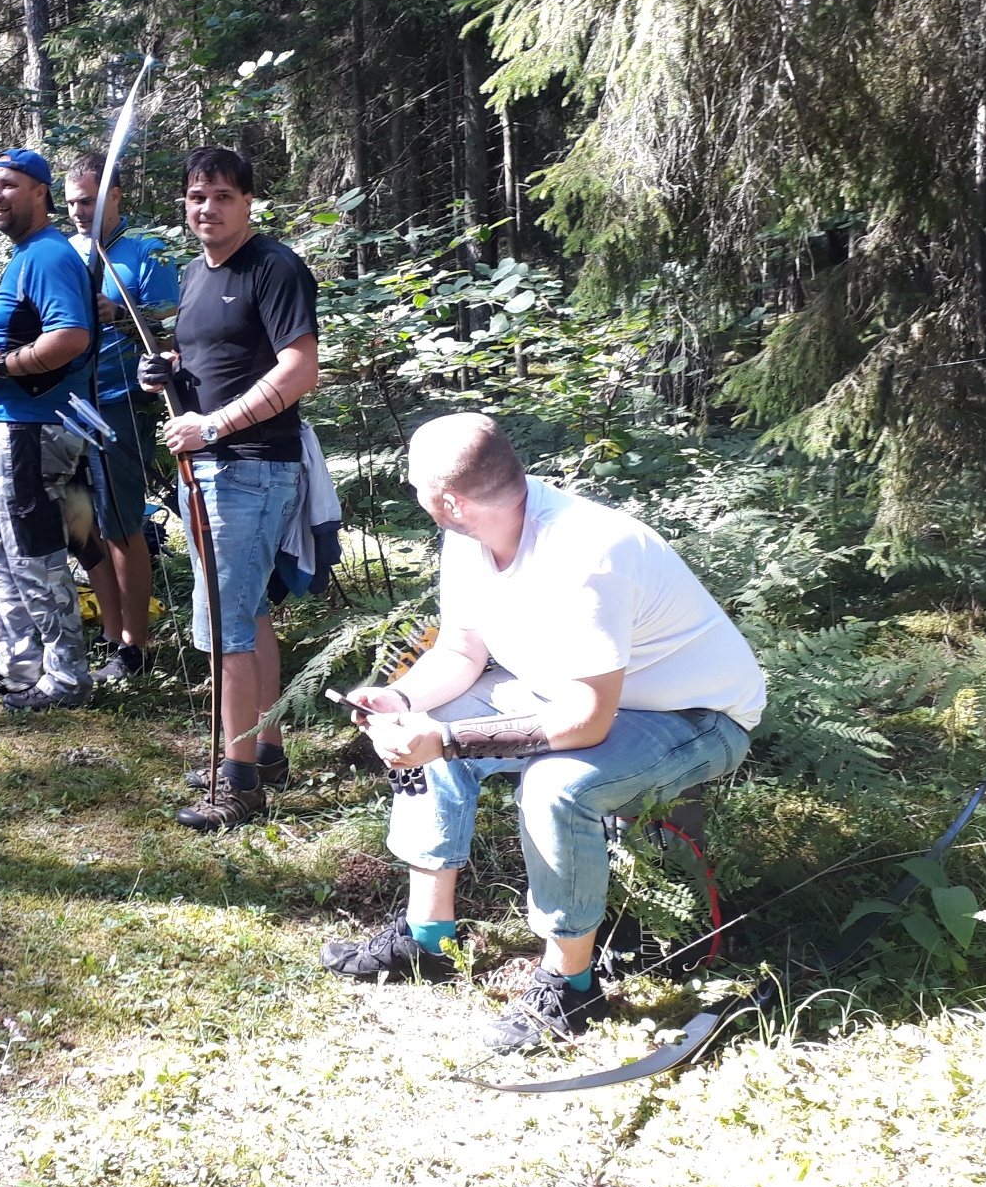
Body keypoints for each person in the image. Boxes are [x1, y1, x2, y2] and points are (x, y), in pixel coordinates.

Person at [317, 413, 765, 1053]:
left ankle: (569, 983)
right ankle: (428, 937)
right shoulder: (471, 536)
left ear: (449, 500)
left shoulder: (586, 554)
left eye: (416, 486)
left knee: (555, 785)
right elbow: (461, 654)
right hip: (580, 696)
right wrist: (401, 697)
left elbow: (586, 721)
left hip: (695, 716)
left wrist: (444, 743)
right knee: (433, 722)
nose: (414, 497)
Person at [139, 146, 319, 830]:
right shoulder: (193, 275)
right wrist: (169, 374)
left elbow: (299, 371)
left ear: (247, 203)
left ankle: (237, 785)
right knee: (248, 614)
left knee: (226, 627)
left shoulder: (273, 267)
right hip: (210, 464)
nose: (206, 208)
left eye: (221, 196)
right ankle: (264, 753)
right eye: (195, 196)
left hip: (250, 465)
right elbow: (214, 358)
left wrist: (211, 425)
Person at [0, 148, 96, 710]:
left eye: (9, 185)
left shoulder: (48, 256)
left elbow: (71, 337)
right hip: (17, 425)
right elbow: (18, 328)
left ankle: (67, 677)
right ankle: (20, 662)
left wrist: (2, 366)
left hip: (36, 429)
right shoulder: (26, 255)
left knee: (35, 550)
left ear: (40, 192)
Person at [64, 150, 179, 684]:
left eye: (88, 200)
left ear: (115, 197)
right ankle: (111, 635)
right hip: (66, 404)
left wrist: (124, 318)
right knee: (80, 523)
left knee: (120, 523)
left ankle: (138, 642)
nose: (78, 212)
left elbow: (177, 329)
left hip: (121, 404)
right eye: (70, 203)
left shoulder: (145, 253)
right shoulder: (66, 251)